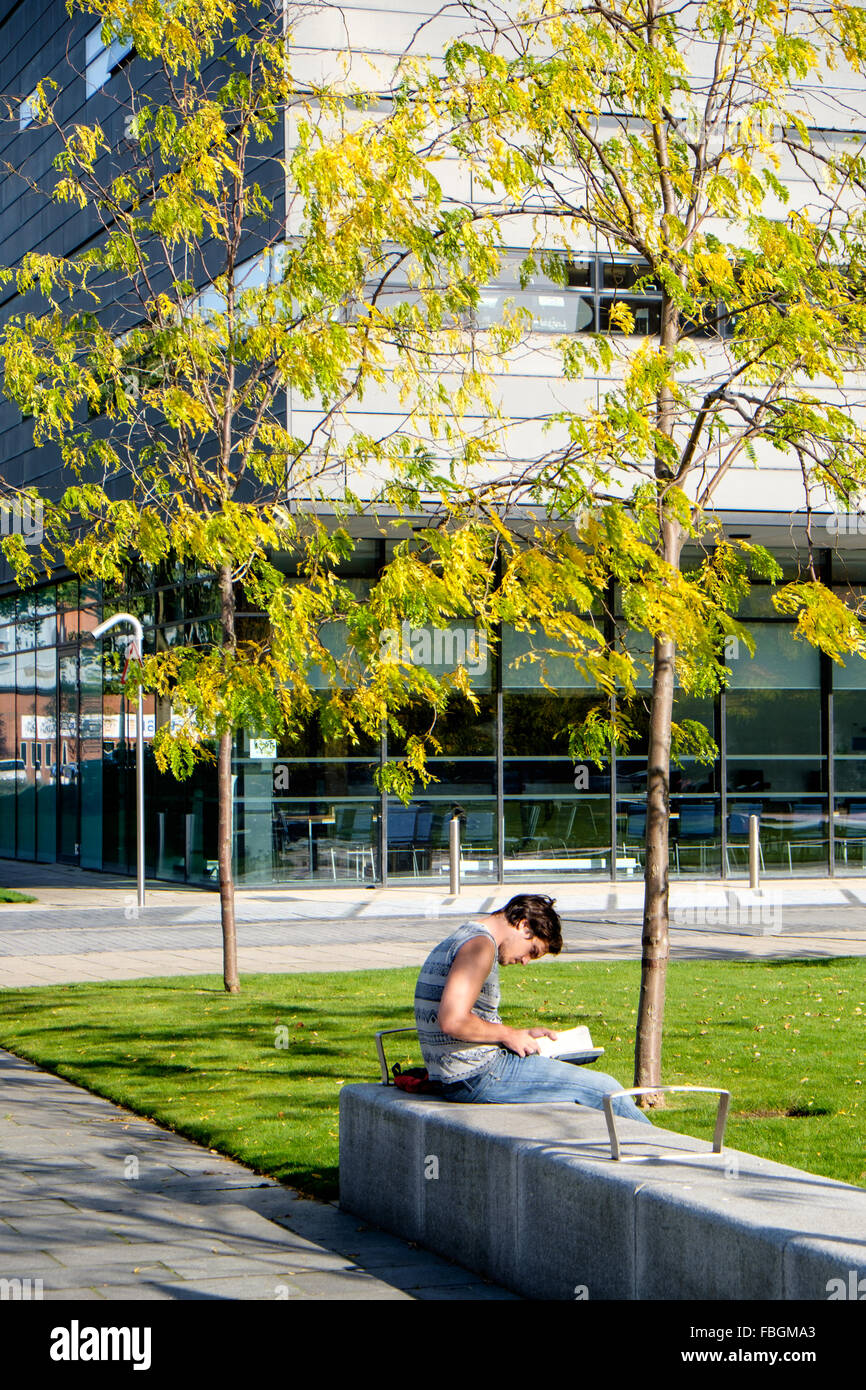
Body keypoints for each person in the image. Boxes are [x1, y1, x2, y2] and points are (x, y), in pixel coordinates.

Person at [414, 893, 652, 1123]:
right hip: (474, 1076)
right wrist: (508, 1034)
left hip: (454, 1075)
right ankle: (665, 1156)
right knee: (606, 1089)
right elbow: (452, 1020)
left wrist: (520, 1035)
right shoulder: (480, 946)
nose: (525, 961)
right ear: (524, 925)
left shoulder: (463, 936)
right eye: (532, 951)